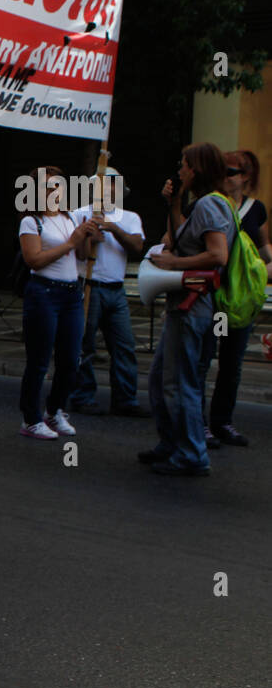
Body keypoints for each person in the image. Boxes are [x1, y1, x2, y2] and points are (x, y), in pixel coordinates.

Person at [141, 143, 238, 475]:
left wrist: (174, 264)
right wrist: (175, 203)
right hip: (185, 305)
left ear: (195, 169)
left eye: (183, 165)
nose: (178, 170)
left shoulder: (210, 206)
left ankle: (191, 454)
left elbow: (218, 255)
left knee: (179, 382)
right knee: (160, 379)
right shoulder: (199, 206)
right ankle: (172, 444)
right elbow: (177, 237)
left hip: (193, 304)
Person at [17, 167, 97, 439]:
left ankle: (55, 411)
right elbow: (34, 260)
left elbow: (82, 256)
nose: (55, 192)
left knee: (70, 359)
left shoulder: (71, 217)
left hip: (71, 293)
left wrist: (85, 237)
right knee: (39, 360)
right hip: (44, 293)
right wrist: (71, 242)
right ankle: (30, 418)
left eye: (58, 186)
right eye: (48, 187)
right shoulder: (31, 222)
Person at [196, 150, 268, 448]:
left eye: (232, 171)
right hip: (212, 297)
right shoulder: (209, 204)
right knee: (203, 359)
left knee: (231, 363)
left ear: (246, 177)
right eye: (223, 171)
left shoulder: (255, 210)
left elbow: (263, 252)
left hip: (237, 302)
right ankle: (198, 424)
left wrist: (259, 274)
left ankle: (222, 421)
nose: (226, 177)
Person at [68, 169, 150, 417]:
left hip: (116, 289)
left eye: (112, 185)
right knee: (85, 345)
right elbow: (76, 251)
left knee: (124, 346)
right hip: (89, 286)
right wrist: (88, 236)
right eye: (102, 184)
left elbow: (136, 246)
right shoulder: (79, 214)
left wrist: (113, 228)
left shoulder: (130, 217)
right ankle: (83, 396)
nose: (106, 189)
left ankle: (125, 399)